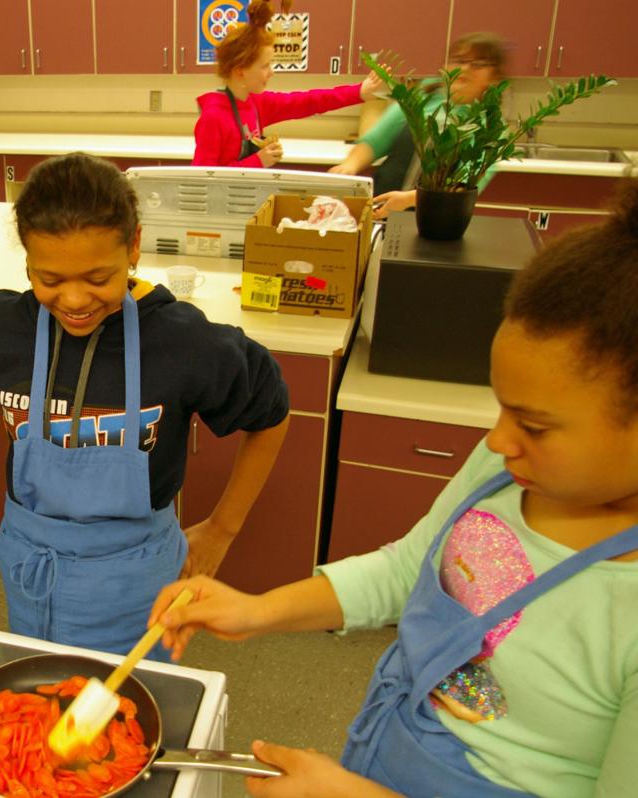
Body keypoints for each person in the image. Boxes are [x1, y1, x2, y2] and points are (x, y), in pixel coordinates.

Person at [149, 182, 638, 796]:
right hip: (385, 751)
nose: (497, 440)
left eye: (534, 425)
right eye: (502, 409)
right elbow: (409, 570)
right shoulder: (504, 473)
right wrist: (256, 611)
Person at [0, 152, 290, 658]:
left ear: (134, 245)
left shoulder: (185, 343)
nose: (74, 299)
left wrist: (223, 529)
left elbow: (270, 412)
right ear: (27, 261)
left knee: (129, 710)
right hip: (28, 563)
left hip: (136, 575)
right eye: (49, 279)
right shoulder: (1, 332)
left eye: (98, 278)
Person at [330, 32, 508, 219]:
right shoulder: (419, 98)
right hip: (379, 210)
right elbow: (375, 142)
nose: (465, 68)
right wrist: (349, 166)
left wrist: (408, 199)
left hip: (437, 222)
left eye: (478, 64)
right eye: (459, 60)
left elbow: (464, 186)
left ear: (494, 77)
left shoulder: (491, 129)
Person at [192, 0, 383, 168]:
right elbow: (202, 179)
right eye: (265, 66)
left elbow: (308, 101)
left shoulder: (257, 103)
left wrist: (359, 92)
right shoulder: (214, 117)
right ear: (240, 71)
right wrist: (258, 160)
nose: (272, 72)